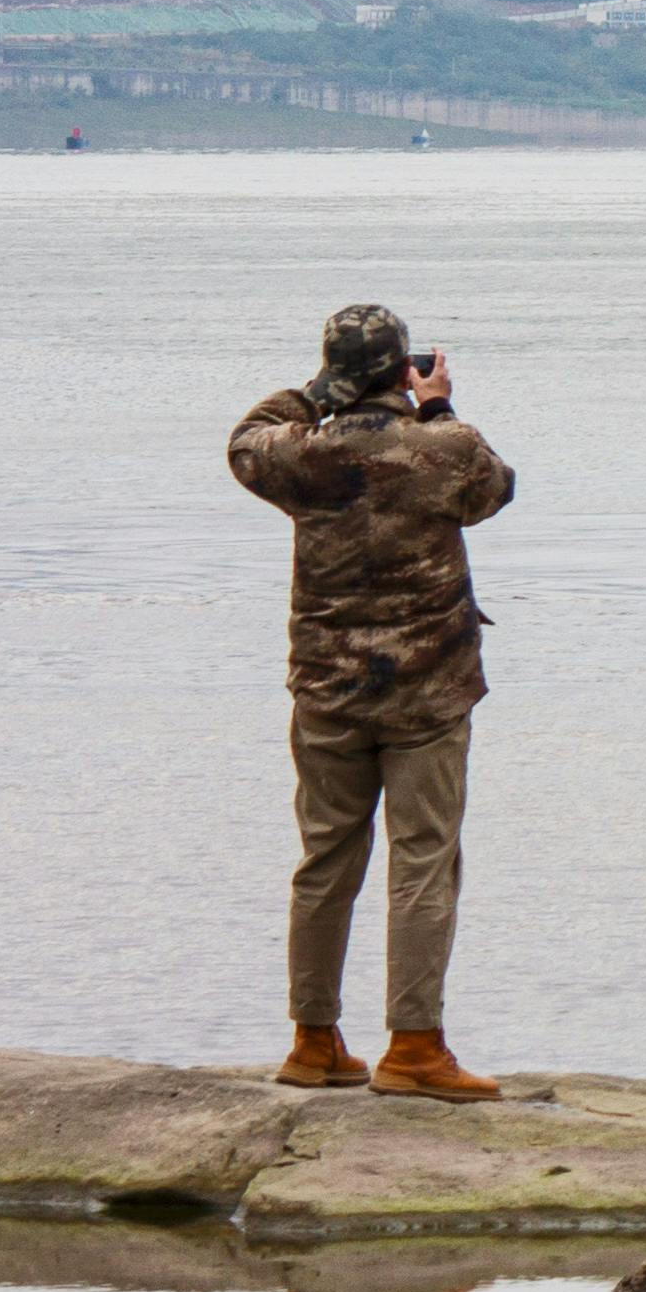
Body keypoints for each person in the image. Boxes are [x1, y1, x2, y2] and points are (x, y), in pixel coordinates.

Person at [228, 304, 516, 1100]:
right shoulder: (442, 448)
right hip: (427, 693)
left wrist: (315, 395)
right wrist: (437, 405)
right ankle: (414, 1050)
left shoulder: (298, 455)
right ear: (403, 369)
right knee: (422, 864)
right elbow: (496, 489)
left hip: (326, 691)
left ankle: (313, 1042)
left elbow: (244, 440)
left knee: (326, 860)